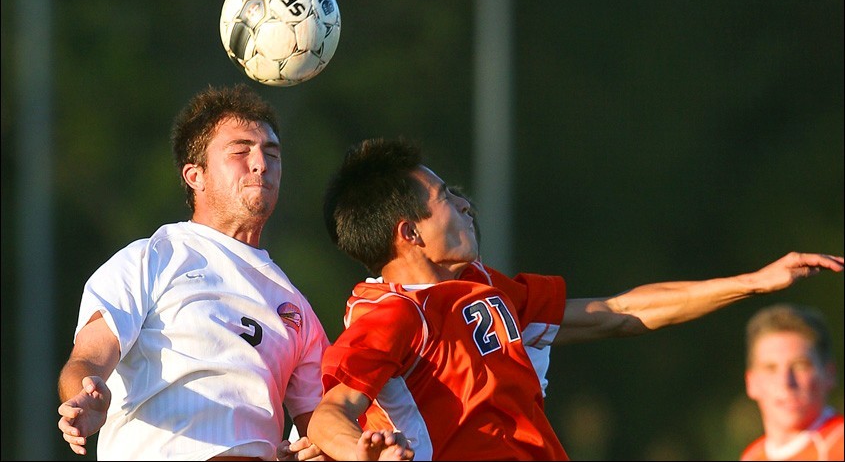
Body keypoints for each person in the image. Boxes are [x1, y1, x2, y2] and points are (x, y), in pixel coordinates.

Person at [307, 136, 844, 461]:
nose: (465, 204)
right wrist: (360, 451)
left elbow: (620, 314)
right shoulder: (395, 314)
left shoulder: (483, 286)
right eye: (446, 197)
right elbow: (329, 412)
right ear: (410, 233)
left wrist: (750, 282)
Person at [56, 84, 410, 461]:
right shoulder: (150, 259)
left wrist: (332, 452)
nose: (260, 163)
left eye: (271, 153)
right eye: (241, 151)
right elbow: (87, 362)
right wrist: (88, 394)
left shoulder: (296, 308)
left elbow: (320, 427)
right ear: (196, 175)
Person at [740, 303, 844, 461]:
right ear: (751, 383)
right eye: (771, 368)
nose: (786, 381)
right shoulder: (751, 457)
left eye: (800, 365)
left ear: (829, 374)